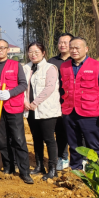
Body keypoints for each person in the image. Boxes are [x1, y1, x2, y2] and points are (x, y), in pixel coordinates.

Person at [0, 39, 33, 184]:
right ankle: (9, 168)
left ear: (7, 50)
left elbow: (23, 84)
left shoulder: (16, 65)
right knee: (2, 141)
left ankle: (24, 171)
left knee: (18, 139)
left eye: (2, 48)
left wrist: (10, 93)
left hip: (13, 107)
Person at [61, 37, 99, 172]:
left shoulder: (97, 66)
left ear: (86, 49)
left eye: (77, 48)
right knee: (74, 144)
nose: (74, 50)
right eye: (71, 48)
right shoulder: (64, 66)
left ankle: (98, 171)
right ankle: (76, 169)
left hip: (90, 112)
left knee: (93, 144)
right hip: (69, 112)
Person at [23, 42, 61, 181]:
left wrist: (35, 103)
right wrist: (25, 102)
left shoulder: (50, 68)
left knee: (49, 139)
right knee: (36, 138)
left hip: (46, 110)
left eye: (36, 51)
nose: (33, 54)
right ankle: (39, 165)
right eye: (30, 51)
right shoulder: (26, 68)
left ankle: (52, 168)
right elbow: (21, 86)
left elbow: (49, 88)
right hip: (30, 110)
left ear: (43, 53)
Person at [48, 33, 75, 171]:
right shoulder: (51, 61)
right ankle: (62, 157)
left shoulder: (76, 60)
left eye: (66, 42)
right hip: (56, 102)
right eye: (60, 42)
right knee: (60, 131)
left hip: (73, 103)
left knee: (76, 132)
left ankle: (78, 159)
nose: (62, 45)